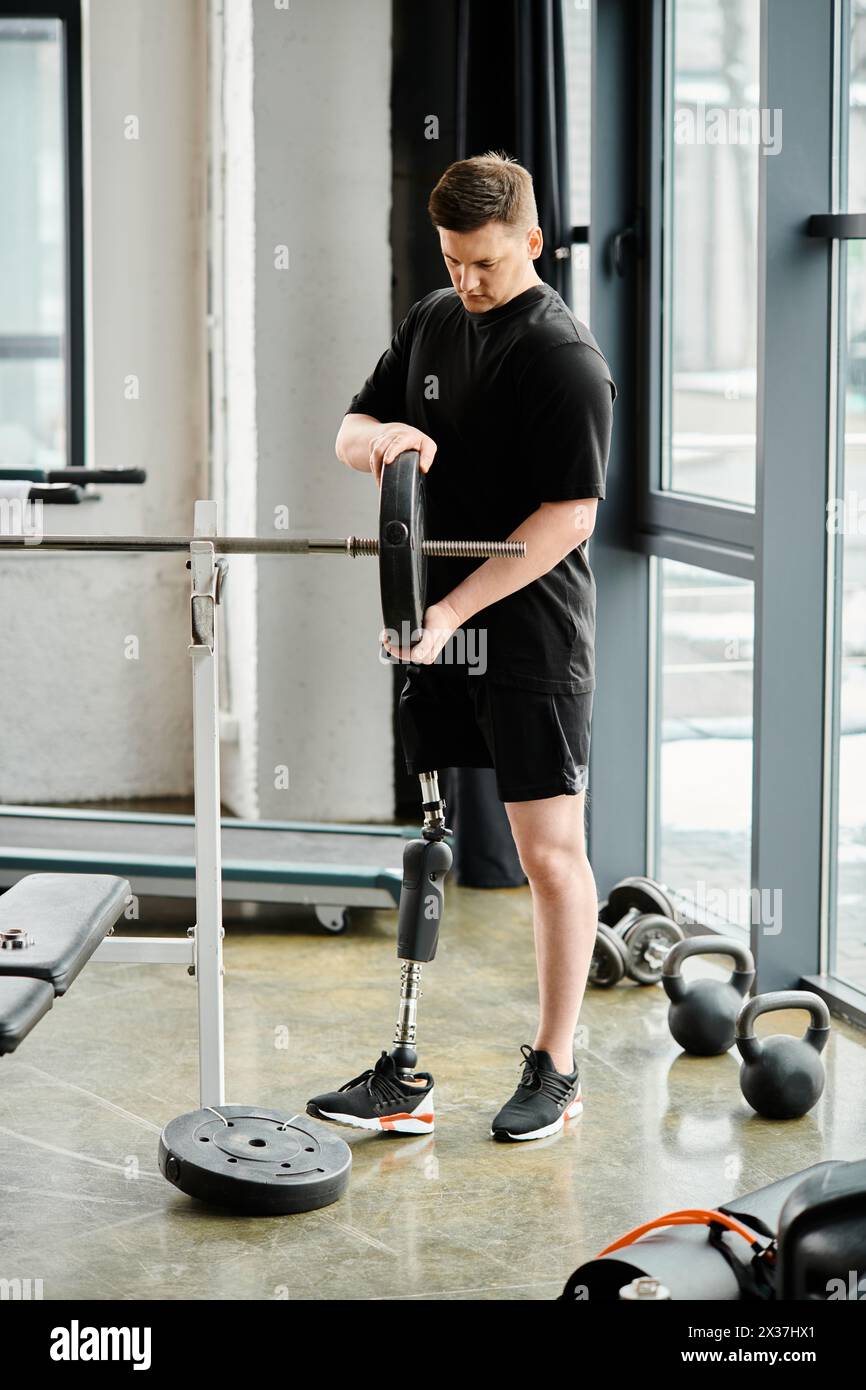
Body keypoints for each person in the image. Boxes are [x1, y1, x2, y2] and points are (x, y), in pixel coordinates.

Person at [307, 152, 617, 1142]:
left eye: (484, 260)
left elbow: (568, 517)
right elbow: (352, 425)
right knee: (431, 838)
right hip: (430, 619)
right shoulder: (434, 319)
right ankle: (404, 1073)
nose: (466, 281)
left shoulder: (563, 358)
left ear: (530, 241)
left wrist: (452, 616)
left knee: (548, 852)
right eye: (450, 259)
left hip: (527, 631)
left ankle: (556, 1067)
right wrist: (384, 442)